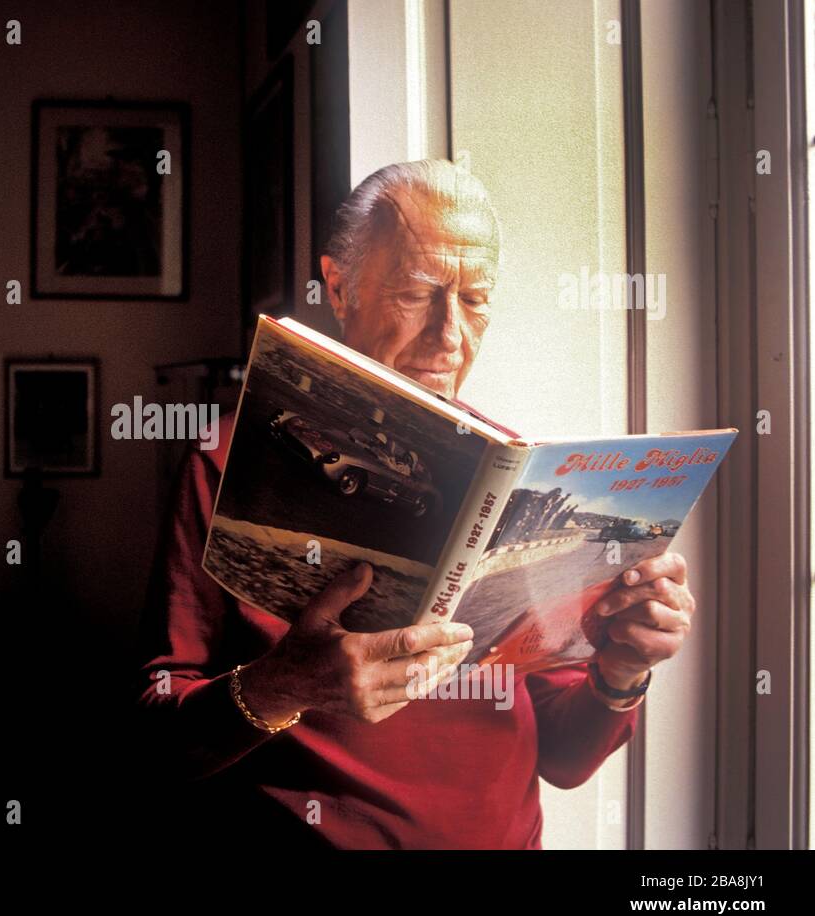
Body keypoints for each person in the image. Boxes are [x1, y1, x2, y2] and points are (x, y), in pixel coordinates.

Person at [136, 159, 697, 849]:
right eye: (416, 294)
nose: (450, 337)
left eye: (474, 298)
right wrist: (283, 686)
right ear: (339, 289)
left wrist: (621, 671)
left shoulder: (511, 476)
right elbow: (154, 743)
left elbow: (565, 757)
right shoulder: (221, 462)